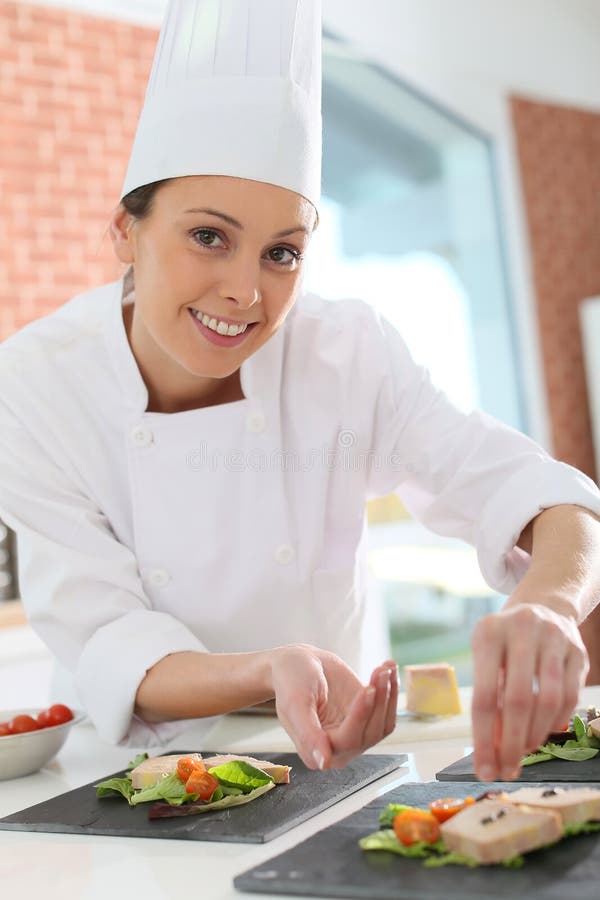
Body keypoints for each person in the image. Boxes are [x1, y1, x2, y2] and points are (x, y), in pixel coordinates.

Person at [1, 0, 599, 782]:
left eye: (282, 253)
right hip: (128, 778)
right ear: (124, 231)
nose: (245, 292)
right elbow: (107, 634)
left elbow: (551, 502)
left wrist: (549, 606)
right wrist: (267, 668)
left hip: (331, 757)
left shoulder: (347, 351)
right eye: (209, 236)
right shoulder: (35, 382)